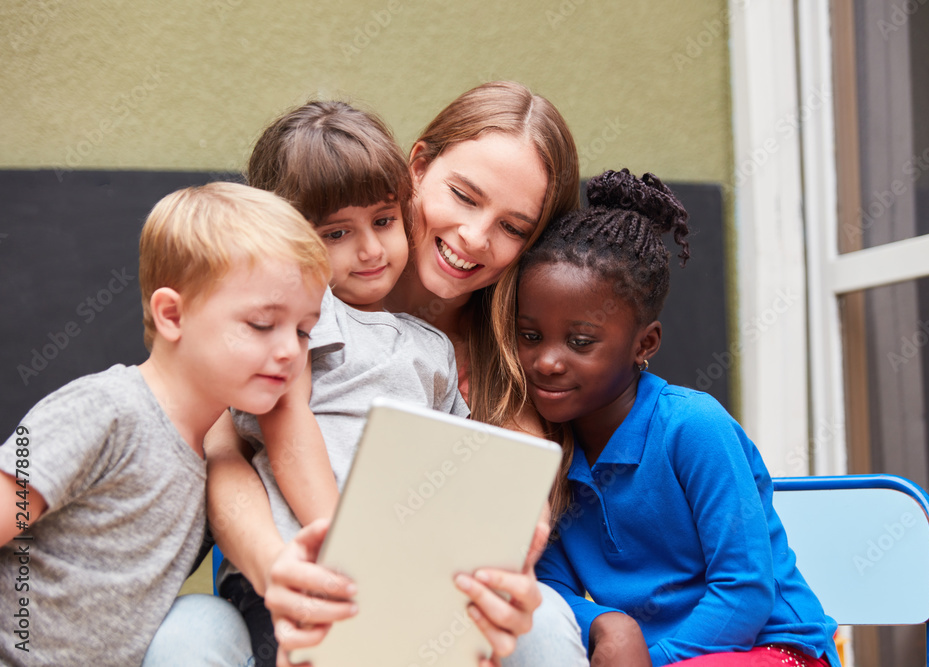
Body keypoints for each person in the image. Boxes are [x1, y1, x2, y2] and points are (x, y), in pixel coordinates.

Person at [202, 81, 589, 667]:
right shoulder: (296, 313)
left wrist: (490, 574)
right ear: (418, 167)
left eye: (514, 227)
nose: (475, 237)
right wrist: (335, 558)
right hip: (299, 575)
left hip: (422, 598)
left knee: (546, 619)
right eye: (463, 195)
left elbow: (504, 492)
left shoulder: (468, 355)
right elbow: (234, 447)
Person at [519, 169, 841, 667]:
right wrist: (609, 624)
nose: (547, 361)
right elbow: (552, 587)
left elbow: (745, 590)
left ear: (644, 344)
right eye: (530, 336)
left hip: (771, 648)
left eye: (580, 341)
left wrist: (655, 658)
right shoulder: (545, 448)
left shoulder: (693, 427)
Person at [0, 182, 331, 666]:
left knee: (207, 619)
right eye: (262, 323)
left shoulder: (215, 461)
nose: (289, 350)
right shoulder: (104, 409)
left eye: (303, 330)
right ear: (172, 315)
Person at [216, 100, 470, 667]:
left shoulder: (430, 347)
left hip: (399, 576)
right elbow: (289, 425)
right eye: (337, 233)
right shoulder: (305, 311)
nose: (372, 249)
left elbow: (456, 453)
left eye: (384, 221)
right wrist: (344, 541)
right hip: (302, 564)